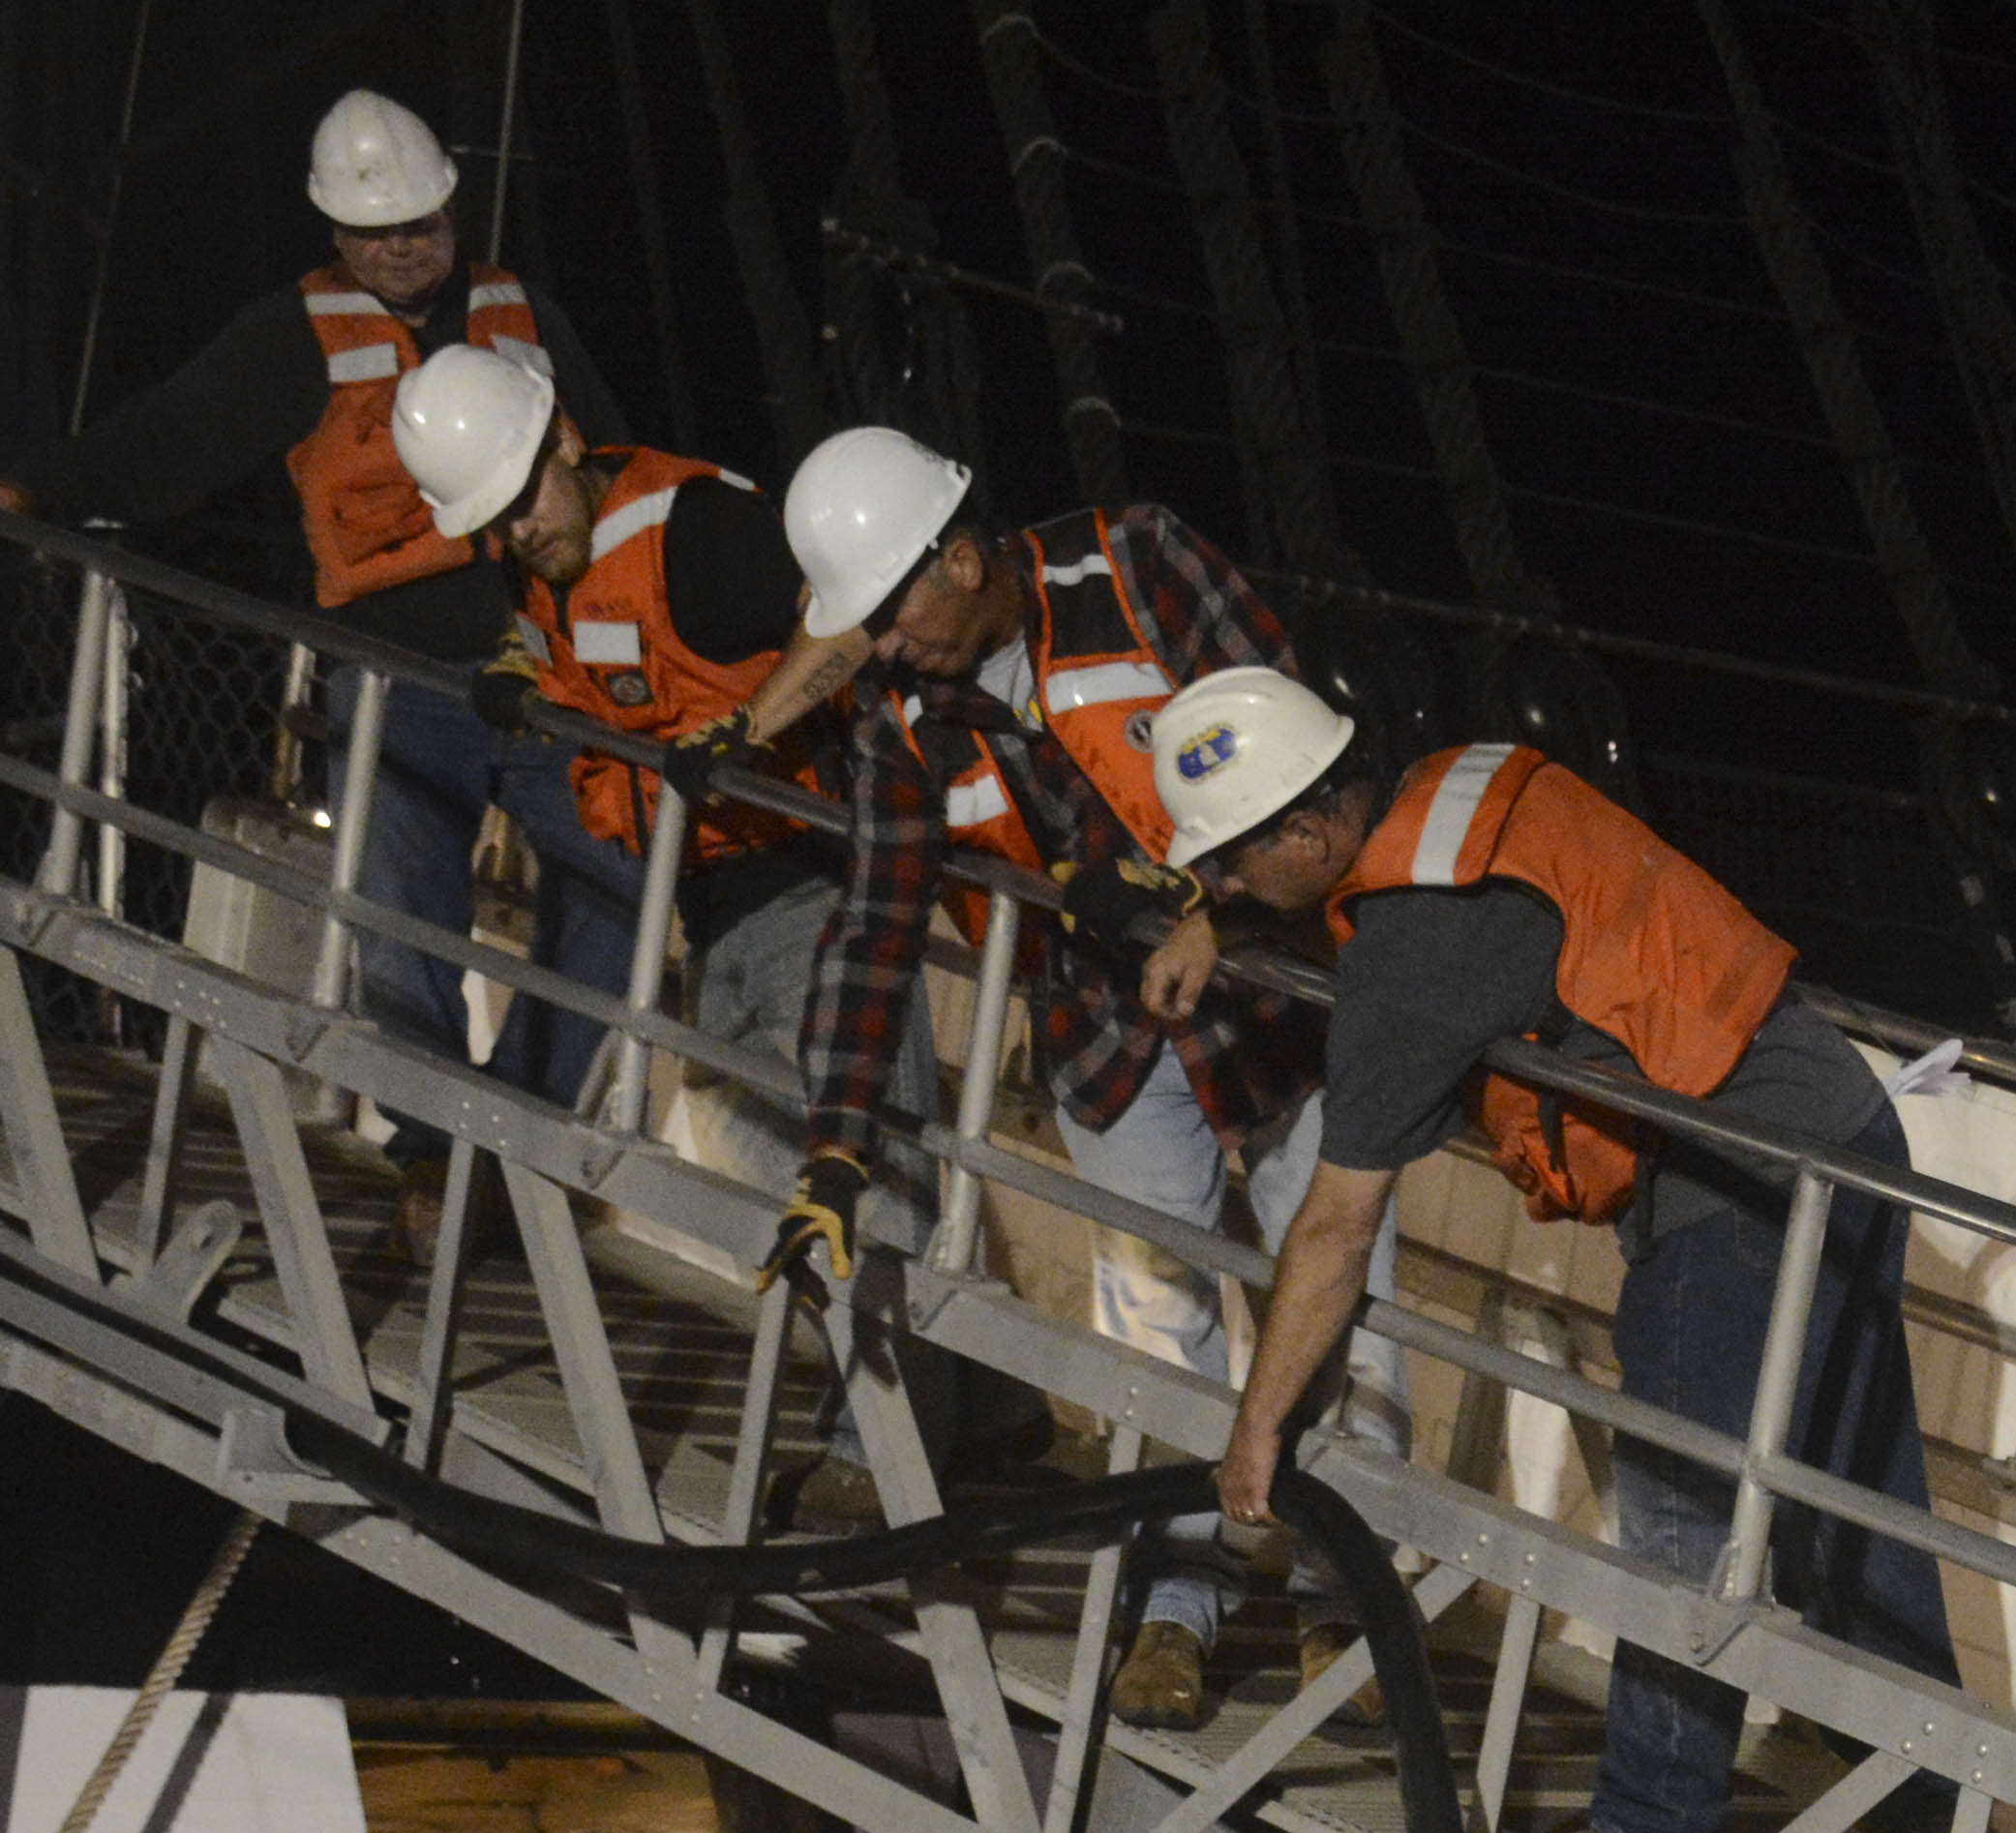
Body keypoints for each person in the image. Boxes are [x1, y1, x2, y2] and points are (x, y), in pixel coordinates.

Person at [1153, 668, 1951, 1833]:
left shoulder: (1415, 953)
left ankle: (1651, 1830)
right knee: (1845, 1484)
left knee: (1683, 1504)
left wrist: (1256, 1424)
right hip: (1838, 1126)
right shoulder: (1452, 791)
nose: (1223, 889)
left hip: (1734, 1184)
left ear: (1308, 831)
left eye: (1233, 868)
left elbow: (1335, 1222)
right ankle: (1917, 1795)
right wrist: (1234, 920)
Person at [758, 428, 1399, 1719]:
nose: (881, 647)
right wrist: (834, 1143)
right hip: (1110, 1047)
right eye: (863, 626)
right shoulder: (896, 716)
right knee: (1153, 1334)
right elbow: (876, 924)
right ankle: (1172, 1617)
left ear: (963, 558)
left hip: (1283, 1012)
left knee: (1344, 1321)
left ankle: (1346, 1608)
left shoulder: (1137, 565)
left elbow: (1307, 762)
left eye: (891, 612)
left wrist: (1220, 910)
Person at [383, 347, 1040, 1492]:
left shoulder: (697, 535)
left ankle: (875, 1464)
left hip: (821, 878)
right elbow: (581, 654)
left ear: (569, 444)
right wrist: (511, 665)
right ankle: (992, 1407)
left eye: (523, 502)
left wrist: (748, 730)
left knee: (844, 1179)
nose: (516, 537)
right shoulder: (541, 556)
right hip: (716, 897)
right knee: (754, 1129)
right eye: (489, 522)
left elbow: (849, 624)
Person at [0, 92, 638, 1250]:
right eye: (379, 230)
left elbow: (621, 468)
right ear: (336, 234)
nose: (405, 247)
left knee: (620, 878)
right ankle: (438, 1156)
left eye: (424, 224)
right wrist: (40, 488)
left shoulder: (520, 313)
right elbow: (170, 440)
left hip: (546, 675)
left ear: (453, 206)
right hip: (396, 681)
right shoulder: (291, 335)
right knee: (403, 919)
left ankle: (518, 1139)